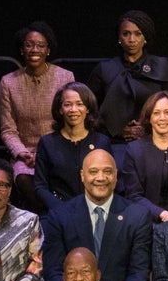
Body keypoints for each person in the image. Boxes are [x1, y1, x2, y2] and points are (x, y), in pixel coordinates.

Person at [40, 148, 160, 281]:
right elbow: (54, 271)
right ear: (82, 176)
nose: (101, 178)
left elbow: (139, 271)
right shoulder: (60, 216)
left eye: (107, 171)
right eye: (94, 172)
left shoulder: (137, 216)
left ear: (116, 176)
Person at [0, 21, 76, 209]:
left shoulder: (65, 77)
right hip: (26, 154)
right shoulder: (8, 82)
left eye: (40, 45)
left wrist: (46, 153)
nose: (35, 50)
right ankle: (49, 217)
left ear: (48, 50)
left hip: (59, 148)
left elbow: (71, 120)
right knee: (24, 179)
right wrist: (22, 153)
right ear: (22, 49)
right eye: (29, 45)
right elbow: (8, 129)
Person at [86, 9, 168, 142]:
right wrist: (117, 130)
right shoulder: (105, 69)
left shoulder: (161, 66)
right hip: (113, 142)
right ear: (119, 37)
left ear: (145, 38)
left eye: (138, 34)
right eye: (126, 34)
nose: (132, 39)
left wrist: (150, 129)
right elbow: (90, 110)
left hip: (155, 140)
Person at [114, 89, 168, 212]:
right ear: (149, 118)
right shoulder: (135, 150)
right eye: (156, 113)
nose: (162, 118)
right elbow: (133, 195)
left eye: (167, 112)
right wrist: (162, 214)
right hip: (147, 219)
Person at [34, 82, 116, 212]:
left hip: (94, 210)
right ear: (60, 109)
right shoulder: (47, 143)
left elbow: (109, 181)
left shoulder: (101, 142)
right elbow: (40, 186)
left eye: (79, 104)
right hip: (59, 211)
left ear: (87, 108)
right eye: (67, 105)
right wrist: (61, 209)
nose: (73, 110)